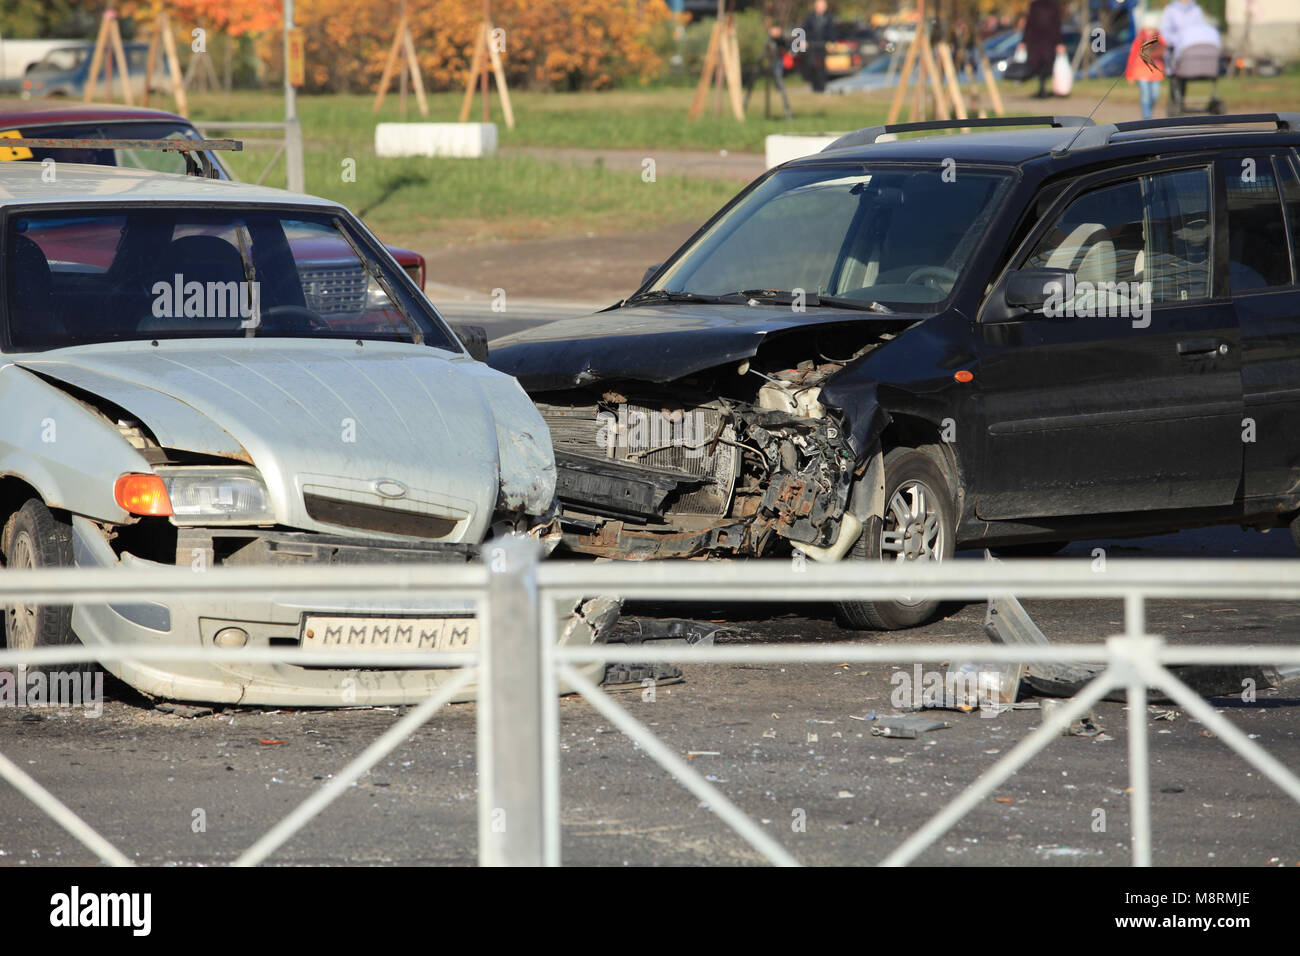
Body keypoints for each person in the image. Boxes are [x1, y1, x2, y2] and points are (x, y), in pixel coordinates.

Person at [1125, 10, 1164, 120]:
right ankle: (1147, 117)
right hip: (1141, 71)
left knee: (1155, 95)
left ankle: (1149, 112)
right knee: (1145, 96)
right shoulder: (1138, 40)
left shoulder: (1160, 39)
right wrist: (1129, 75)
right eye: (1147, 28)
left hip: (1156, 72)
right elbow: (1132, 56)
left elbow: (1164, 51)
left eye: (1151, 29)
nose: (1149, 31)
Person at [1020, 0, 1063, 99]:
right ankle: (1041, 88)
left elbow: (1057, 25)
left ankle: (1043, 88)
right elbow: (1029, 23)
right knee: (1037, 65)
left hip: (1048, 41)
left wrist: (1059, 42)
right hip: (1036, 42)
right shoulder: (1034, 5)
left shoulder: (1053, 6)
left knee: (1047, 65)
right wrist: (1024, 41)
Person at [801, 0, 834, 93]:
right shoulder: (810, 17)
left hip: (823, 45)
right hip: (812, 45)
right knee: (812, 65)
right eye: (819, 6)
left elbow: (831, 31)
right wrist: (804, 40)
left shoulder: (828, 17)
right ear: (815, 7)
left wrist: (831, 42)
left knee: (821, 67)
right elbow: (804, 29)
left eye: (823, 6)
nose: (821, 8)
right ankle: (814, 86)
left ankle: (821, 87)